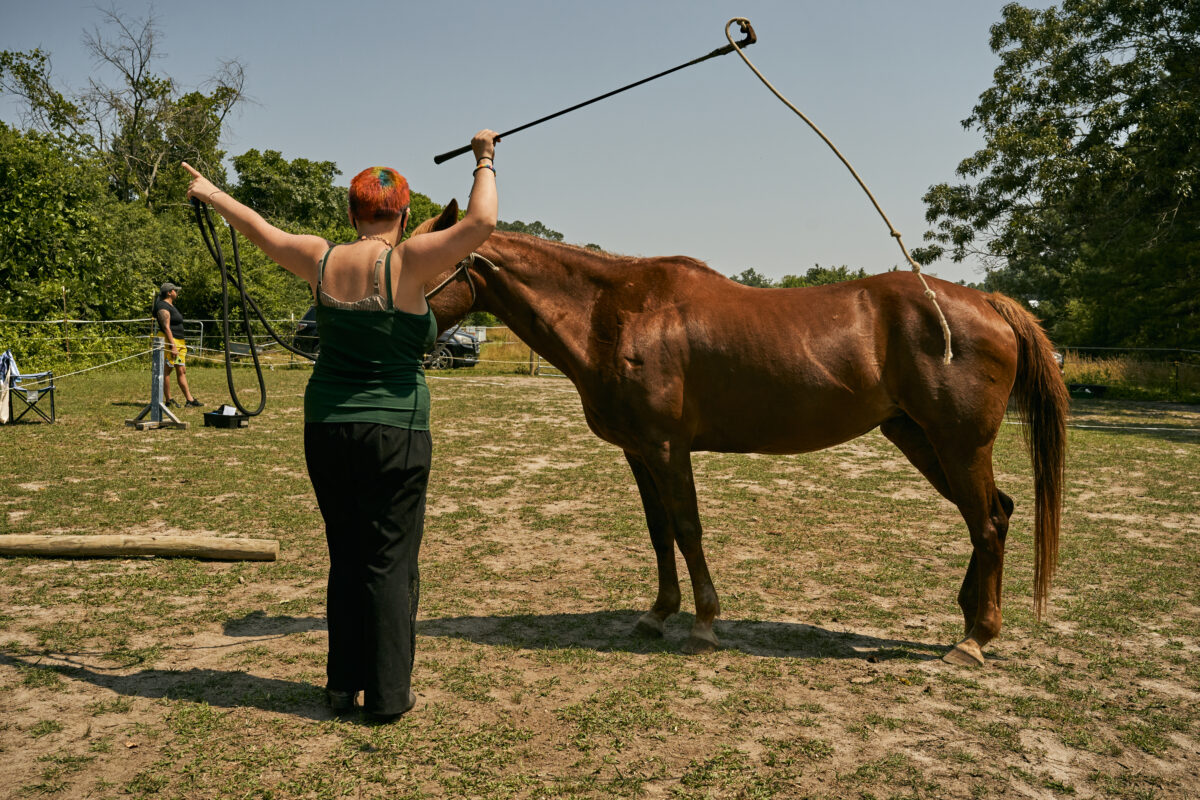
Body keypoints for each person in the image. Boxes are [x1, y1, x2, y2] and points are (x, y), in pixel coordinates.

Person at [183, 129, 499, 720]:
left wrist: (211, 192)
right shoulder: (408, 261)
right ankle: (386, 695)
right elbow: (480, 223)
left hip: (326, 427)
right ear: (403, 216)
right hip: (395, 432)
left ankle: (339, 685)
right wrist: (484, 156)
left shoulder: (318, 257)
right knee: (390, 560)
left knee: (346, 555)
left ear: (351, 213)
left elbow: (257, 229)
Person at [153, 282, 202, 408]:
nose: (177, 292)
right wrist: (172, 346)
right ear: (169, 292)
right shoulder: (162, 307)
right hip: (170, 342)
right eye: (175, 290)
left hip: (179, 342)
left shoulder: (171, 305)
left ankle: (189, 400)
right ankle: (169, 400)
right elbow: (166, 328)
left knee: (181, 370)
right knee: (167, 370)